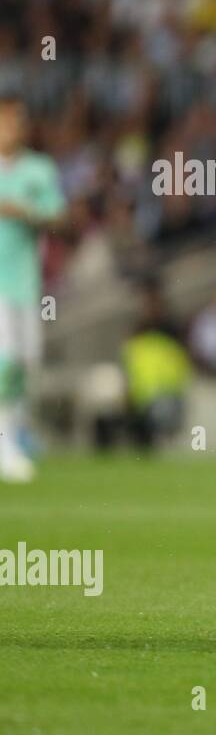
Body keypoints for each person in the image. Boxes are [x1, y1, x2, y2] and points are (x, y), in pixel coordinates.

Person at [0, 94, 66, 483]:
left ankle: (16, 432)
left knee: (26, 362)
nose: (12, 127)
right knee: (5, 361)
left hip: (25, 284)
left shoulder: (38, 169)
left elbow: (58, 216)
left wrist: (24, 211)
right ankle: (5, 444)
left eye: (17, 120)